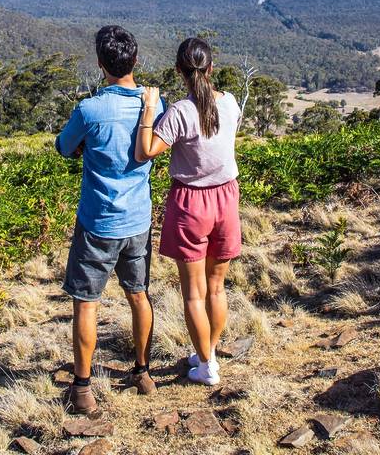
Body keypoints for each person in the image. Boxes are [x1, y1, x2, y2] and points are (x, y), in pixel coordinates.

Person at [55, 25, 163, 414]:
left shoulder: (90, 110)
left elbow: (63, 147)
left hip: (97, 222)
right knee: (139, 294)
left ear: (100, 64)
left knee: (86, 304)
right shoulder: (154, 105)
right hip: (138, 221)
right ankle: (142, 372)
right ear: (136, 60)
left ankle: (83, 389)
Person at [135, 36, 242, 386]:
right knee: (217, 288)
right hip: (226, 199)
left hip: (191, 203)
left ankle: (207, 365)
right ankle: (208, 354)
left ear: (179, 71)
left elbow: (146, 151)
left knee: (194, 293)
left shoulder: (180, 112)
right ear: (211, 68)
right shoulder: (230, 104)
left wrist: (149, 110)